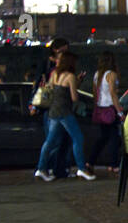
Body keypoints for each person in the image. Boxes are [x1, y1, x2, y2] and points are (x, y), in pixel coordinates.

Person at [34, 50, 95, 182]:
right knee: (78, 138)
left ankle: (41, 169)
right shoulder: (70, 76)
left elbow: (51, 89)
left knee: (50, 142)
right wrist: (76, 85)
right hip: (65, 112)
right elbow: (74, 97)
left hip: (53, 111)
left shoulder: (54, 74)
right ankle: (82, 168)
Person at [87, 51, 123, 175]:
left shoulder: (97, 74)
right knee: (114, 138)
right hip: (110, 108)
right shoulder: (111, 74)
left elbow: (95, 92)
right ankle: (114, 164)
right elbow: (113, 93)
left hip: (101, 108)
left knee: (104, 137)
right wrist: (119, 111)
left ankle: (91, 161)